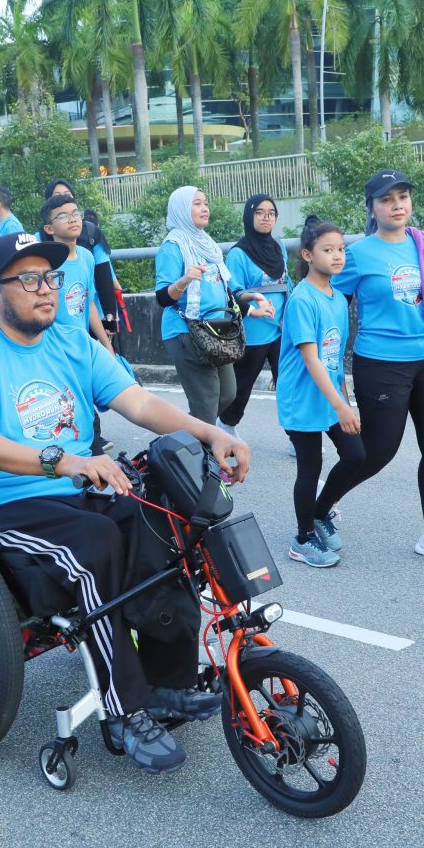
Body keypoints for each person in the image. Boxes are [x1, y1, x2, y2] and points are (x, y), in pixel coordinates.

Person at [0, 230, 254, 774]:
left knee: (165, 527)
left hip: (75, 491)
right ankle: (122, 711)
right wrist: (69, 462)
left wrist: (210, 433)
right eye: (28, 279)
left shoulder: (71, 342)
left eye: (51, 278)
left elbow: (140, 402)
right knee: (97, 542)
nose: (45, 289)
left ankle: (166, 684)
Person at [317, 168, 424, 563]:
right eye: (387, 199)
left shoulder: (421, 243)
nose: (397, 205)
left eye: (402, 197)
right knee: (377, 452)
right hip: (382, 364)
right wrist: (324, 360)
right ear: (372, 207)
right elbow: (330, 302)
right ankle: (320, 506)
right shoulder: (356, 255)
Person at [280, 218, 363, 568]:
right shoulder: (302, 299)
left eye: (341, 249)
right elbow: (312, 360)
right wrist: (340, 407)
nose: (337, 256)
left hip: (330, 395)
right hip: (302, 397)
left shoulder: (339, 298)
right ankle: (302, 539)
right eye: (327, 250)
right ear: (308, 254)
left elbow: (336, 357)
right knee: (310, 467)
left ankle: (319, 513)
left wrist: (347, 400)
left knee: (357, 456)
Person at [154, 185, 275, 424]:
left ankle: (186, 435)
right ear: (180, 209)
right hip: (186, 331)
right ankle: (202, 456)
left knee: (228, 393)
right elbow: (162, 297)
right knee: (207, 402)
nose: (204, 208)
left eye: (205, 203)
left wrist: (250, 303)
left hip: (216, 330)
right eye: (197, 203)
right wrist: (184, 280)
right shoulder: (172, 247)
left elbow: (224, 290)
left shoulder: (207, 244)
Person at [219, 194, 290, 435]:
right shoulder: (239, 253)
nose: (266, 217)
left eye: (271, 213)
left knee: (289, 383)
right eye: (259, 212)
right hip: (253, 331)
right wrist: (255, 306)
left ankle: (296, 433)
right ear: (250, 216)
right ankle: (226, 425)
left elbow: (286, 281)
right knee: (243, 385)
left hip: (281, 328)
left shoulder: (278, 246)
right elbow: (233, 291)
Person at [43, 178, 120, 339]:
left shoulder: (87, 252)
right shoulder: (43, 258)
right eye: (56, 195)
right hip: (57, 343)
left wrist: (110, 311)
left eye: (75, 213)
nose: (72, 219)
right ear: (49, 228)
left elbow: (104, 273)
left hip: (85, 333)